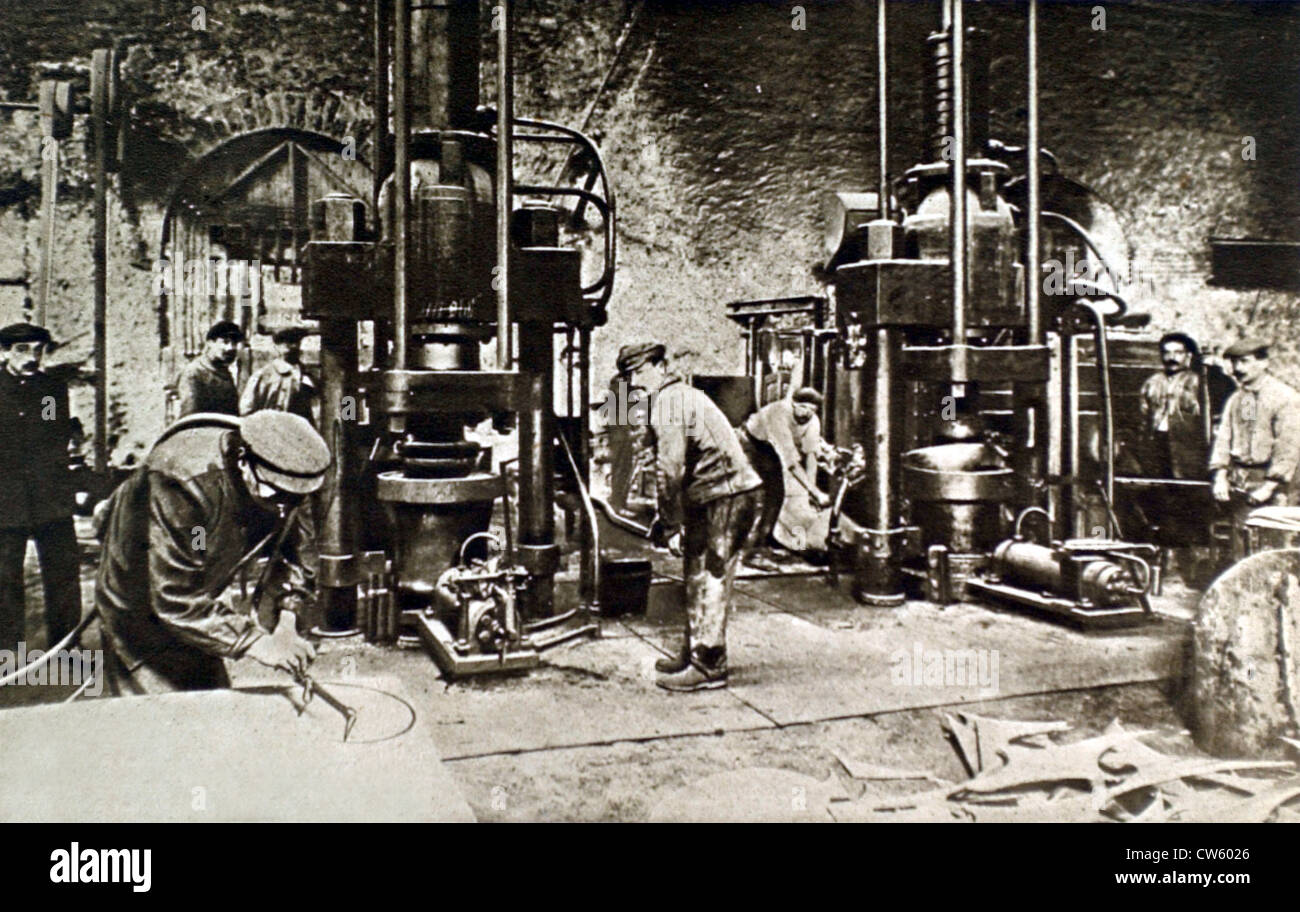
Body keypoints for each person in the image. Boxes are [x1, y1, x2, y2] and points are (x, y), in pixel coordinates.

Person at [94, 410, 329, 694]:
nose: (282, 507)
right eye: (275, 495)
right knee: (161, 721)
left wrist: (287, 620)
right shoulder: (182, 481)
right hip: (139, 612)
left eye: (292, 498)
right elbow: (173, 597)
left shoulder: (289, 475)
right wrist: (256, 642)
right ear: (243, 461)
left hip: (198, 593)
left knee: (212, 707)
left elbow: (300, 554)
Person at [620, 342, 761, 692]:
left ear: (661, 366)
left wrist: (669, 524)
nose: (636, 381)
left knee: (712, 576)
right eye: (629, 375)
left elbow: (670, 470)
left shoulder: (669, 402)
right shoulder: (673, 396)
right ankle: (695, 651)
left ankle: (710, 665)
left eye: (641, 371)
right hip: (708, 494)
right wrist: (669, 520)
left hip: (729, 494)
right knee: (695, 574)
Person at [0, 322, 82, 651]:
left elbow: (53, 431)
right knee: (5, 579)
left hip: (50, 496)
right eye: (23, 350)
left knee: (62, 574)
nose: (32, 357)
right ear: (4, 351)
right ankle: (7, 649)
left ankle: (66, 643)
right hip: (6, 498)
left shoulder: (50, 390)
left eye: (38, 350)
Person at [1209, 337, 1300, 561]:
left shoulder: (1284, 397)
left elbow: (1289, 445)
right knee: (1241, 541)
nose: (1238, 369)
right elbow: (1224, 439)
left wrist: (1270, 486)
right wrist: (1220, 476)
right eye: (1234, 363)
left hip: (1276, 485)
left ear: (1263, 363)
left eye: (1245, 362)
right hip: (1242, 480)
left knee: (1274, 546)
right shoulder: (1236, 399)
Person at [737, 387, 836, 563]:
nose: (807, 413)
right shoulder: (779, 413)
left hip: (769, 448)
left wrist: (810, 493)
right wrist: (816, 493)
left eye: (812, 410)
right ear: (793, 404)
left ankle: (765, 542)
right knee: (761, 491)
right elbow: (791, 463)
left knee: (777, 493)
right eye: (803, 407)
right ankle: (752, 551)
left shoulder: (813, 421)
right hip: (750, 442)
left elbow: (811, 455)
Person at [1138, 332, 1207, 480]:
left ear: (1188, 355)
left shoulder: (1198, 382)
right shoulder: (1152, 382)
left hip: (1186, 447)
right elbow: (1143, 415)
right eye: (1167, 352)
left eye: (1178, 353)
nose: (1171, 358)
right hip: (1157, 444)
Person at [239, 326, 317, 421]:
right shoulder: (263, 375)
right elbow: (246, 409)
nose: (292, 346)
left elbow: (312, 409)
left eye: (295, 342)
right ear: (276, 346)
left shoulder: (304, 375)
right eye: (285, 342)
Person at [176, 320, 244, 416]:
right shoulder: (194, 372)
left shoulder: (224, 372)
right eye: (225, 342)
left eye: (234, 343)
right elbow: (190, 416)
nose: (230, 348)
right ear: (210, 343)